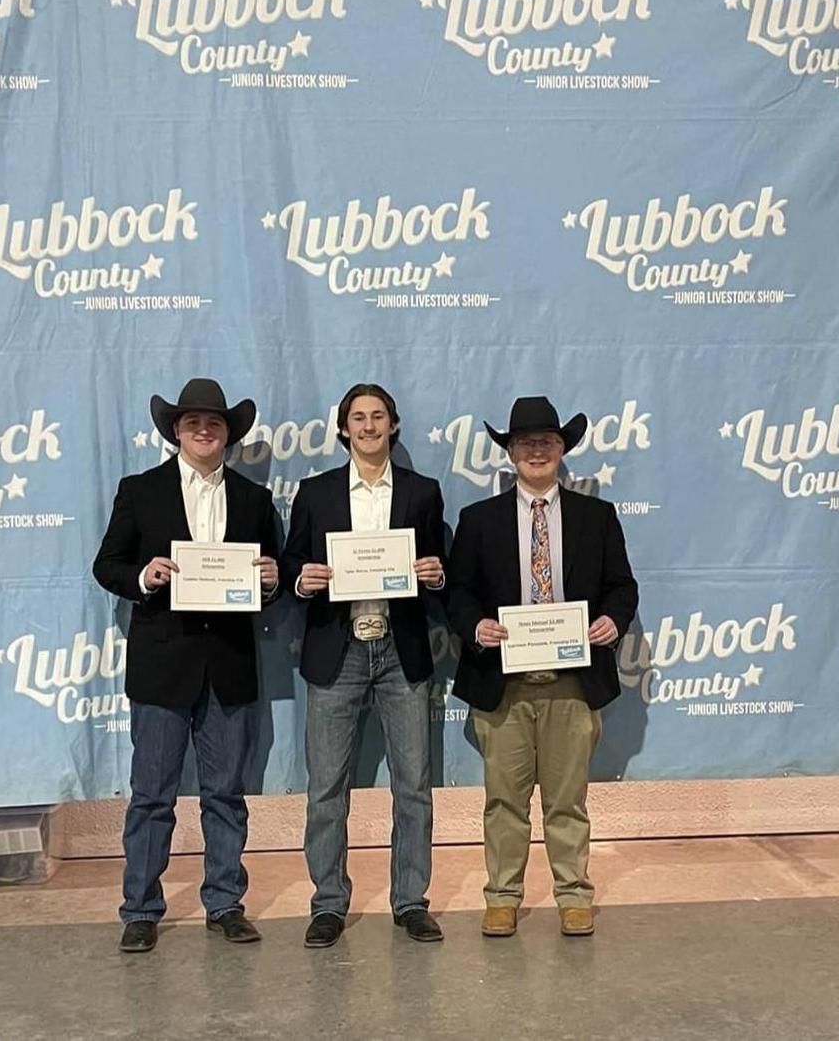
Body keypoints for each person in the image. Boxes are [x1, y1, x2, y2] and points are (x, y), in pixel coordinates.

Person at [93, 378, 281, 953]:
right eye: (193, 421)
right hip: (161, 667)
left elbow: (270, 573)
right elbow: (108, 565)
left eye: (215, 422)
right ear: (176, 431)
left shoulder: (254, 500)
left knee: (225, 794)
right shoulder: (140, 490)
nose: (204, 429)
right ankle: (141, 909)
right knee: (152, 794)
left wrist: (271, 583)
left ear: (229, 434)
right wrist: (144, 576)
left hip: (227, 666)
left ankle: (224, 902)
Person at [448, 396, 638, 938]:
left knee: (567, 801)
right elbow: (458, 593)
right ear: (509, 452)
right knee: (503, 801)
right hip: (502, 685)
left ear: (562, 450)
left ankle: (574, 895)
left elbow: (622, 587)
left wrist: (610, 621)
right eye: (525, 443)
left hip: (572, 684)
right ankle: (502, 897)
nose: (536, 451)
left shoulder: (596, 517)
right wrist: (476, 627)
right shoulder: (477, 520)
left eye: (547, 442)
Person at [282, 382, 448, 947]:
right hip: (338, 650)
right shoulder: (315, 492)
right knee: (326, 788)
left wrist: (436, 574)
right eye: (359, 417)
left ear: (393, 427)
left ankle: (410, 901)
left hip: (402, 653)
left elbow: (441, 567)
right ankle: (328, 903)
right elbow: (290, 568)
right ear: (344, 428)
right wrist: (302, 580)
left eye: (379, 417)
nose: (369, 426)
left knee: (414, 787)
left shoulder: (423, 493)